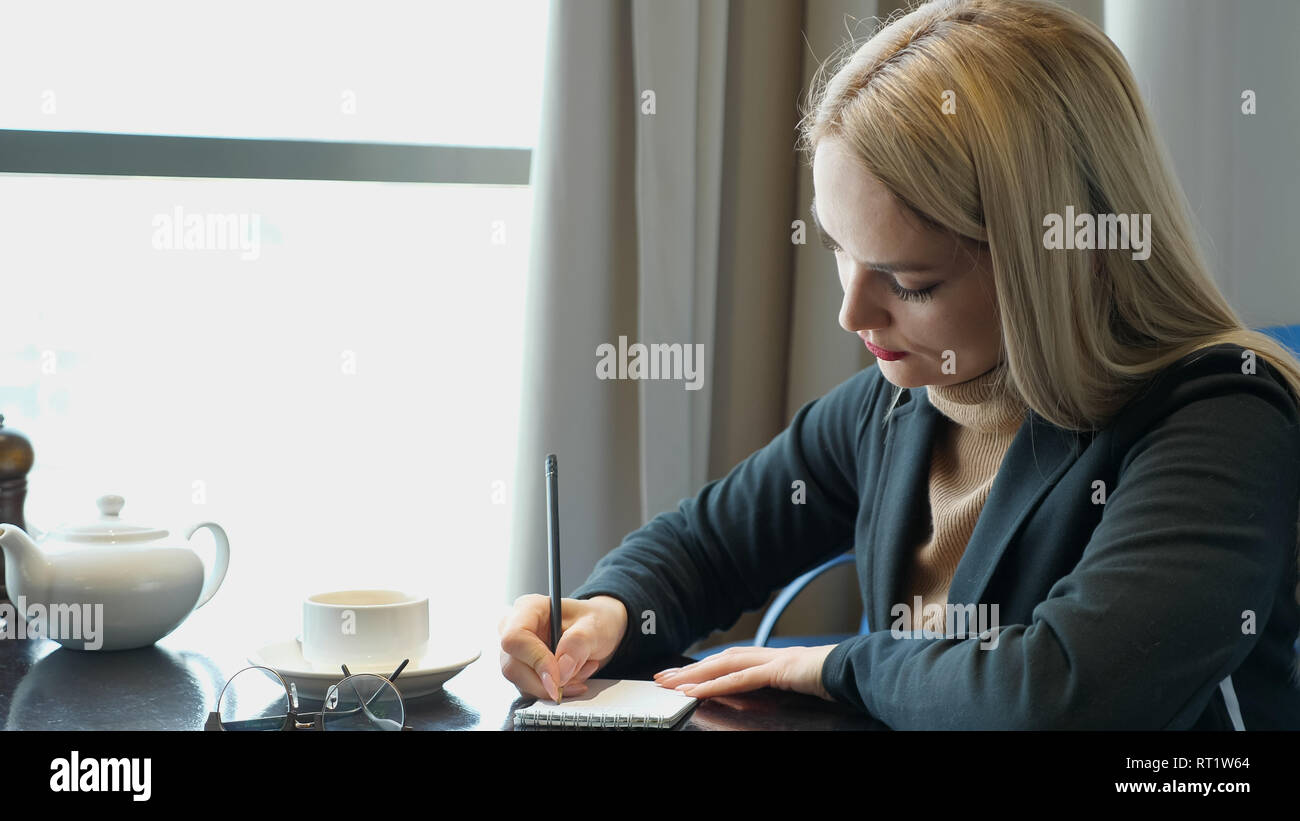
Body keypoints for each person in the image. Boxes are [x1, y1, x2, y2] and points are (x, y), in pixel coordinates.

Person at [498, 0, 1300, 728]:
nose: (853, 315)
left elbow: (1061, 695)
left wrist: (837, 663)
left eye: (911, 282)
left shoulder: (1222, 421)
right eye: (842, 253)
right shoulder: (900, 405)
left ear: (1056, 260)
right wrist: (609, 610)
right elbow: (706, 547)